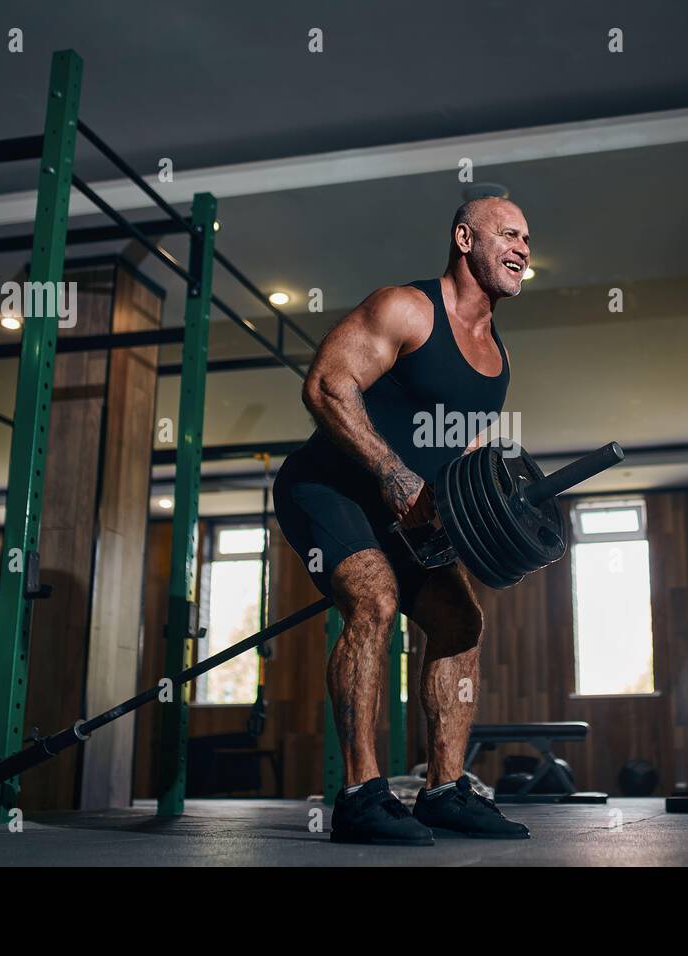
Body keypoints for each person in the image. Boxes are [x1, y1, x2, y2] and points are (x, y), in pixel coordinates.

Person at [273, 197, 533, 844]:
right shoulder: (407, 309)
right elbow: (329, 385)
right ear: (465, 237)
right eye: (509, 233)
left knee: (460, 621)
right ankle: (362, 793)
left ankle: (444, 790)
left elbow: (463, 458)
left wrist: (487, 517)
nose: (523, 247)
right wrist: (393, 474)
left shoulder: (496, 363)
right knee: (375, 599)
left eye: (528, 238)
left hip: (408, 513)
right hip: (327, 487)